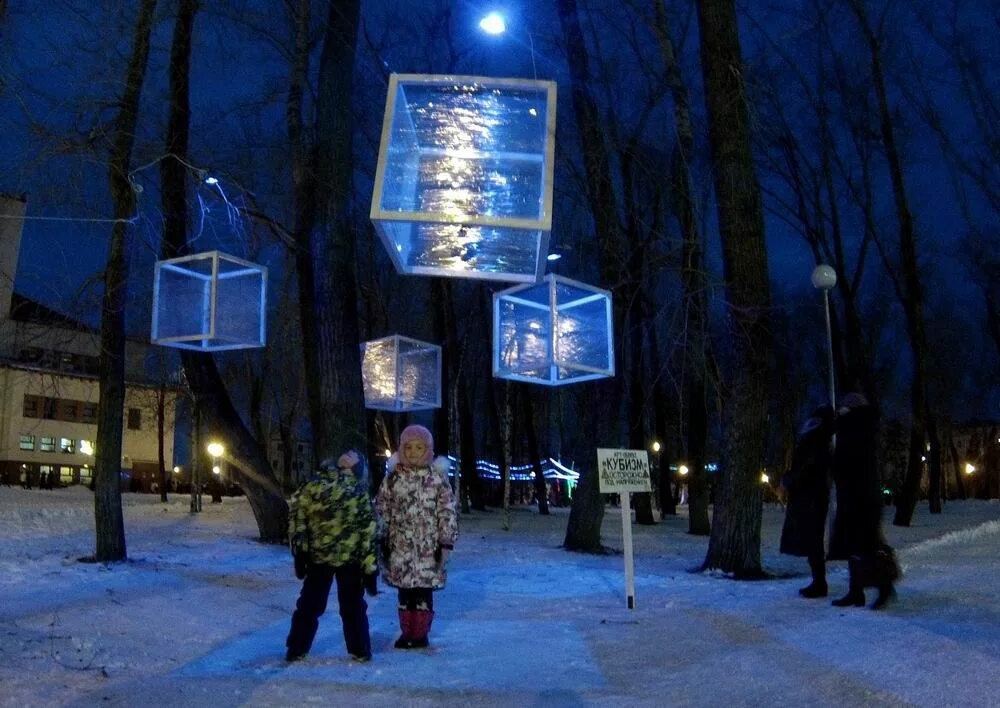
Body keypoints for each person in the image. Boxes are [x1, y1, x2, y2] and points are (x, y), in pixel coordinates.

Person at [285, 450, 378, 663]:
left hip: (349, 561)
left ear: (359, 466)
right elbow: (298, 515)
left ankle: (360, 649)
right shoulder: (315, 484)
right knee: (310, 605)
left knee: (352, 606)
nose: (349, 454)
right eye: (347, 453)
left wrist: (370, 566)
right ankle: (297, 648)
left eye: (355, 455)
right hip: (320, 558)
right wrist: (300, 549)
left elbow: (368, 530)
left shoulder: (358, 489)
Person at [376, 424, 458, 649]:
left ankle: (420, 633)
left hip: (427, 549)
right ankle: (406, 632)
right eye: (409, 447)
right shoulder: (393, 479)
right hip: (400, 547)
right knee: (405, 595)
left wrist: (446, 542)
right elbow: (382, 508)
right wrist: (381, 537)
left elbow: (447, 512)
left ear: (428, 450)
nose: (413, 452)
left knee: (422, 593)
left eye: (419, 447)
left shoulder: (437, 480)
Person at [828, 392, 900, 610]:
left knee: (868, 544)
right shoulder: (855, 427)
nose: (840, 413)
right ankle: (856, 590)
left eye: (843, 410)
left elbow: (851, 461)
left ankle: (885, 587)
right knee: (854, 545)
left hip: (863, 496)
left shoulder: (859, 428)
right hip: (854, 495)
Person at [779, 406, 835, 598]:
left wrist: (789, 479)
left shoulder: (816, 440)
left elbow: (806, 467)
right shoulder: (820, 439)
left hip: (810, 497)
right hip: (812, 496)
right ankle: (818, 581)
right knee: (813, 541)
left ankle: (819, 583)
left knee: (813, 541)